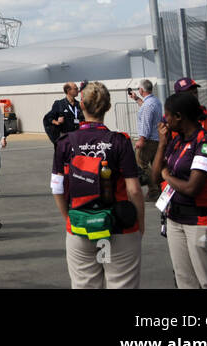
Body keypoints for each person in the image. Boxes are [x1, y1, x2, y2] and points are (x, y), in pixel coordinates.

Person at [51, 81, 143, 289]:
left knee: (84, 285)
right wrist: (140, 223)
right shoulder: (120, 141)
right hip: (118, 225)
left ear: (81, 106)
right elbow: (134, 189)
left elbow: (56, 187)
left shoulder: (65, 143)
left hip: (80, 224)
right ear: (108, 107)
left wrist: (69, 219)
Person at [151, 91, 207, 289]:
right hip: (175, 218)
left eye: (167, 115)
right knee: (185, 281)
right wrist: (162, 143)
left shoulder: (205, 142)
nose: (164, 120)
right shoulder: (177, 141)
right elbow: (154, 177)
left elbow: (193, 187)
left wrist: (167, 176)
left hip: (199, 221)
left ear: (178, 116)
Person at [129, 80, 162, 200]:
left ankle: (153, 189)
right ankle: (160, 187)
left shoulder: (147, 105)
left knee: (141, 163)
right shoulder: (155, 101)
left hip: (149, 139)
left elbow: (146, 123)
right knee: (155, 164)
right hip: (156, 138)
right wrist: (137, 99)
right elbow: (146, 108)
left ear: (142, 90)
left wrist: (142, 139)